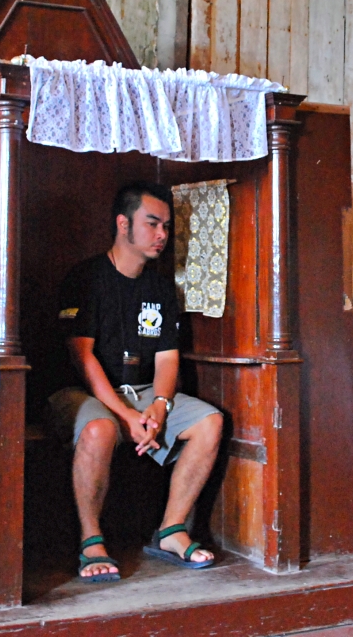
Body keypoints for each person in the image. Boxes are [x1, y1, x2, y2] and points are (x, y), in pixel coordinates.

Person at [48, 182, 223, 582]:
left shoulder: (160, 287)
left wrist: (160, 406)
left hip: (143, 392)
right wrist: (127, 416)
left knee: (209, 422)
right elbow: (83, 358)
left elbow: (167, 357)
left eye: (166, 225)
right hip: (84, 391)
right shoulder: (87, 277)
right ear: (122, 224)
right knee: (98, 429)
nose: (162, 234)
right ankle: (91, 540)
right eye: (151, 224)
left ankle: (172, 530)